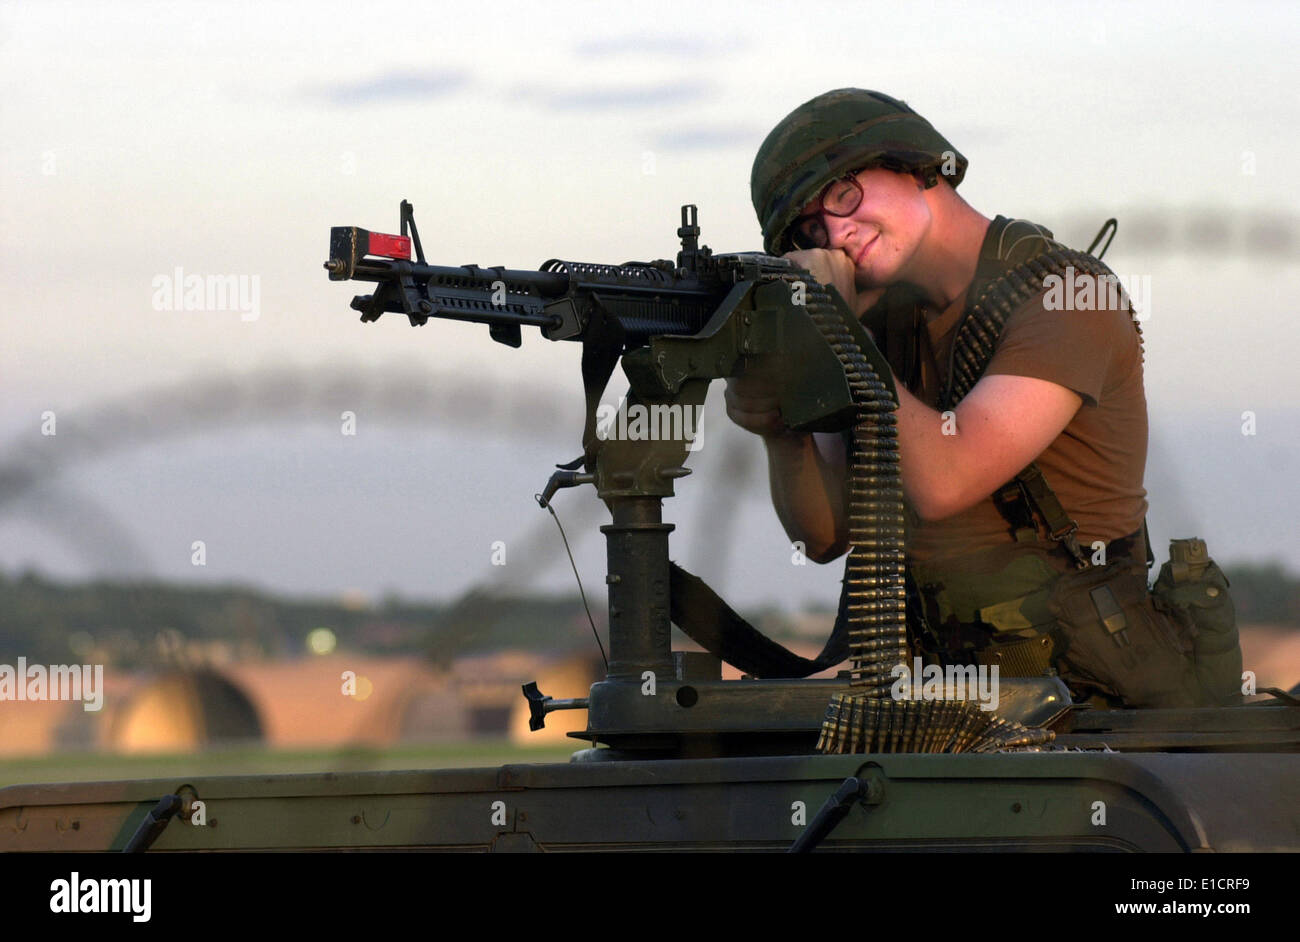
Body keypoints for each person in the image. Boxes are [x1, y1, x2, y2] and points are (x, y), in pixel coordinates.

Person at [730, 88, 1208, 708]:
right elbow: (825, 537)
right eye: (811, 230)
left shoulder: (1067, 298)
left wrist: (836, 334)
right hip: (937, 702)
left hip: (1087, 704)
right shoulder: (868, 326)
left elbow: (945, 479)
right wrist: (781, 430)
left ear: (915, 162)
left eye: (845, 194)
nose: (838, 233)